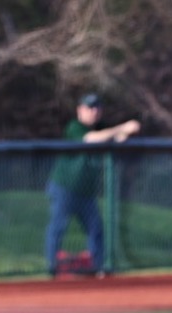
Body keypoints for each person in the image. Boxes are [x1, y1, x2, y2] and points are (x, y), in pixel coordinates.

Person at [44, 93, 138, 277]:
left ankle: (98, 268)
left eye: (97, 108)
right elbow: (91, 138)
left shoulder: (101, 127)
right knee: (58, 227)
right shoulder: (74, 127)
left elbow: (116, 137)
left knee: (96, 229)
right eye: (89, 108)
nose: (94, 112)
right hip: (64, 188)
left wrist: (127, 131)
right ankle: (52, 268)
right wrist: (122, 128)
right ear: (80, 110)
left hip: (85, 192)